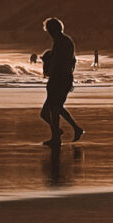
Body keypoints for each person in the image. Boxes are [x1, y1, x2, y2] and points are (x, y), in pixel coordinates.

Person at [39, 17, 83, 145]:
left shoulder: (60, 41)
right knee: (53, 109)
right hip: (65, 77)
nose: (49, 33)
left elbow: (58, 62)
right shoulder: (66, 40)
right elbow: (71, 61)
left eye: (49, 30)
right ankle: (70, 130)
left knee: (53, 109)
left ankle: (57, 137)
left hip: (59, 78)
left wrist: (50, 73)